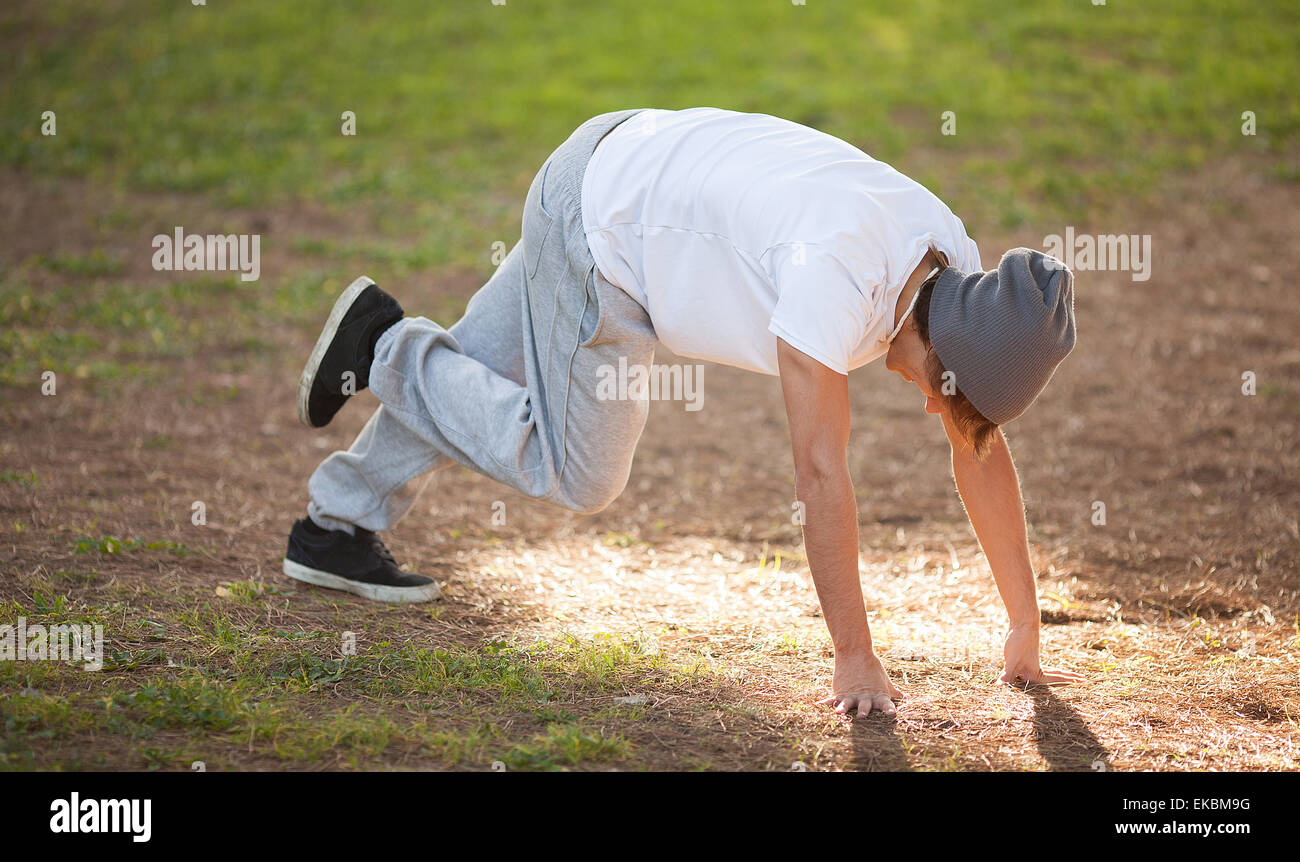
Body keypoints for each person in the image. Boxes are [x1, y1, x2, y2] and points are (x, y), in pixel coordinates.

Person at [283, 107, 1082, 716]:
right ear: (945, 351)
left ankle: (335, 524)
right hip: (605, 231)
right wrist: (854, 655)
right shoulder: (834, 278)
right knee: (579, 471)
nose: (939, 411)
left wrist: (1023, 620)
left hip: (627, 160)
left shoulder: (958, 277)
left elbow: (978, 449)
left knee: (475, 373)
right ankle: (384, 344)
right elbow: (819, 474)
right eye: (956, 394)